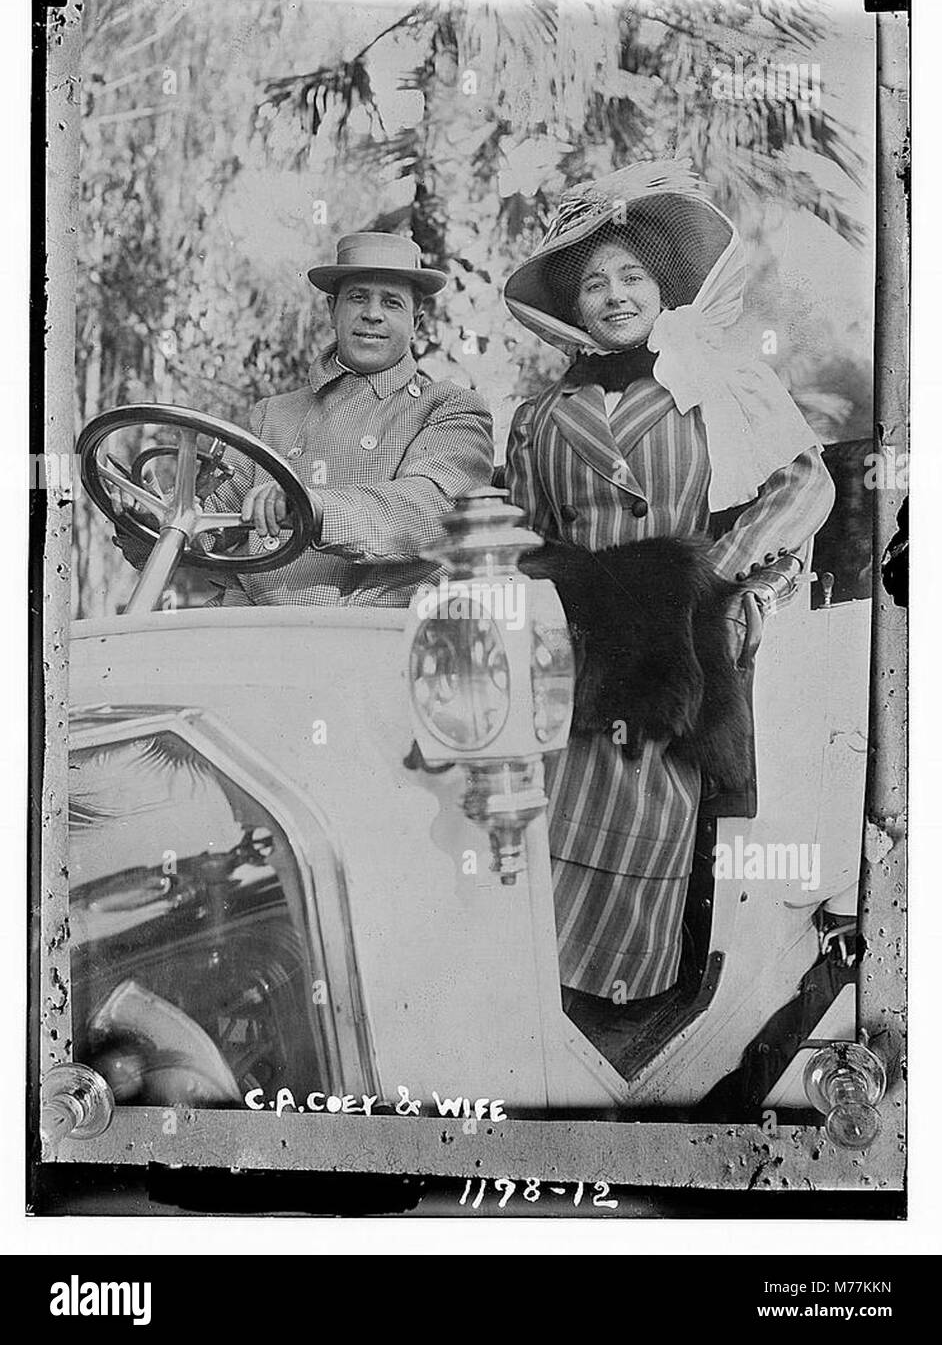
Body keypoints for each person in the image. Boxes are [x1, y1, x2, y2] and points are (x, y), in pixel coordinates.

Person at [502, 159, 836, 1026]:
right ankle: (546, 1010)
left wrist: (715, 572)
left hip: (680, 643)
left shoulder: (714, 382)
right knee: (555, 813)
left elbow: (806, 487)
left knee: (655, 808)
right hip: (576, 650)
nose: (615, 296)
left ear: (664, 287)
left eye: (632, 277)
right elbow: (527, 534)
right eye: (595, 284)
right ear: (571, 307)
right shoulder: (538, 417)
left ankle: (632, 1012)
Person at [115, 232, 493, 607]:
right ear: (333, 310)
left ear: (417, 321)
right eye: (357, 297)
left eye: (392, 303)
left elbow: (431, 510)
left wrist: (311, 508)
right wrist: (151, 517)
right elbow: (208, 523)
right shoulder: (272, 416)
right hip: (250, 630)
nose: (372, 314)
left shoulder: (449, 408)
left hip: (372, 637)